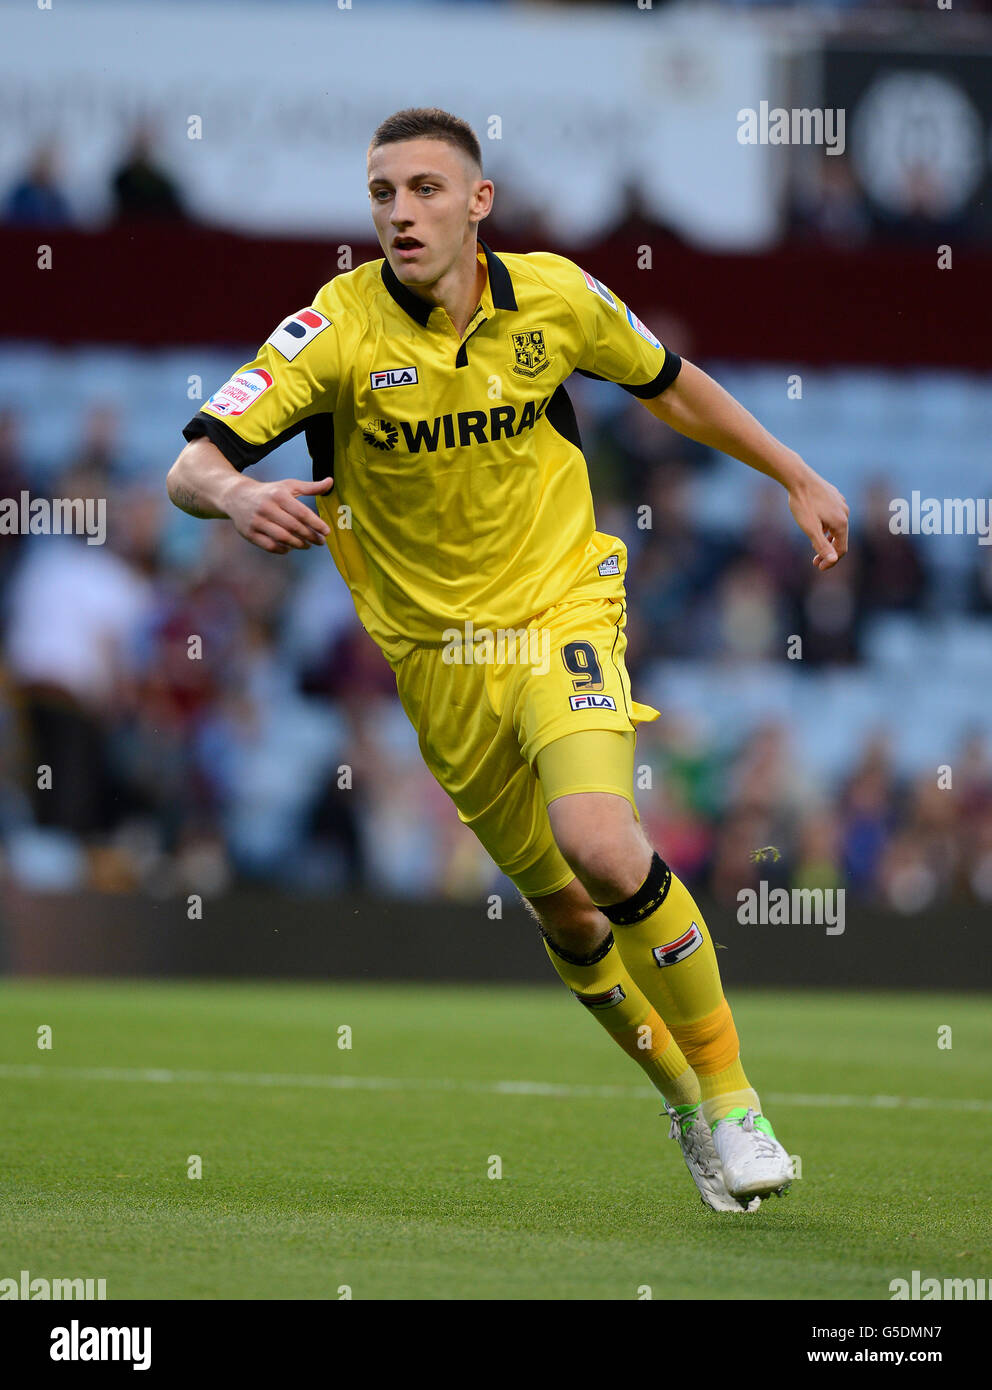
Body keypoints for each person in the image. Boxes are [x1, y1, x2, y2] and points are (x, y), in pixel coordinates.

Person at [167, 107, 849, 1212]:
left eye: (426, 189)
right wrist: (238, 490)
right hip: (438, 666)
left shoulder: (555, 298)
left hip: (559, 611)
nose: (400, 212)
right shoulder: (331, 333)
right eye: (383, 192)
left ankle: (734, 1101)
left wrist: (791, 470)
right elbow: (191, 463)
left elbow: (665, 378)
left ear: (477, 203)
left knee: (599, 841)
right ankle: (683, 1101)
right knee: (570, 917)